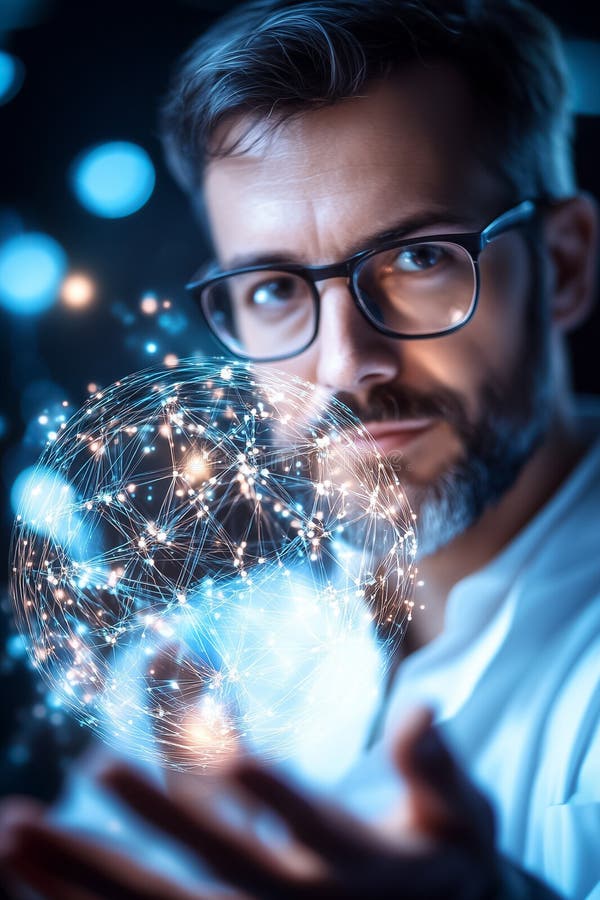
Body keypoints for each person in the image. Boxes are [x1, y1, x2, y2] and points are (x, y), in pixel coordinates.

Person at [1, 0, 599, 897]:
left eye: (421, 258)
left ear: (563, 266)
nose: (347, 364)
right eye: (277, 287)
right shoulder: (212, 656)